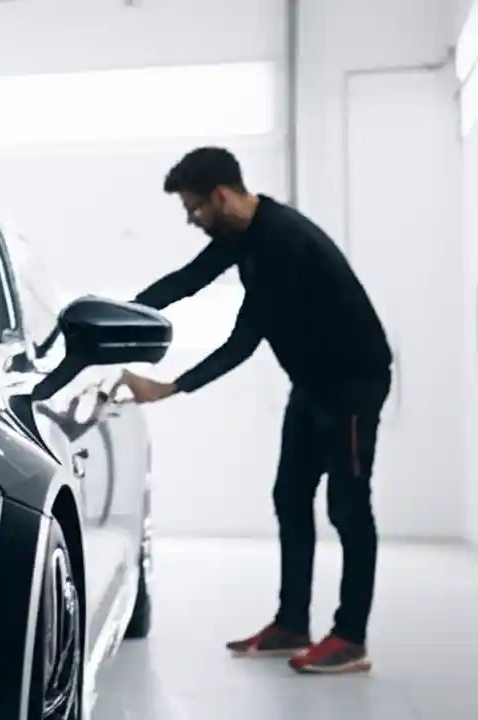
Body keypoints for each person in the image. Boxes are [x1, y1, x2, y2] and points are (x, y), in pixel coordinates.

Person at [119, 147, 393, 675]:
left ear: (220, 195)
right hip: (313, 384)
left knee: (348, 508)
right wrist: (118, 317)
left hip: (352, 386)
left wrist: (170, 387)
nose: (191, 218)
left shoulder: (283, 240)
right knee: (290, 496)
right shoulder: (240, 234)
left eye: (194, 207)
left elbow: (245, 339)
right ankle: (291, 623)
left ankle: (351, 638)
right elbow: (186, 281)